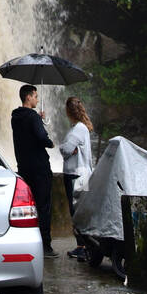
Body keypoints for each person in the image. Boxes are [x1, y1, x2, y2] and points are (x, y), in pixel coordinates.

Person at [11, 84, 56, 257]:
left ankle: (26, 243)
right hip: (39, 168)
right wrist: (50, 142)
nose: (37, 99)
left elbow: (27, 133)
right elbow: (41, 137)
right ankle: (45, 245)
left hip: (23, 167)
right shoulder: (32, 117)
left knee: (27, 208)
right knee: (43, 206)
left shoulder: (15, 117)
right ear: (28, 97)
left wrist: (37, 118)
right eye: (35, 96)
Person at [59, 96, 94, 261]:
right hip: (81, 173)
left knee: (77, 211)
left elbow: (66, 149)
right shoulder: (80, 127)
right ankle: (85, 245)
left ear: (69, 111)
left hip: (76, 174)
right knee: (79, 209)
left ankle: (83, 246)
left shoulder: (78, 129)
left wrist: (63, 148)